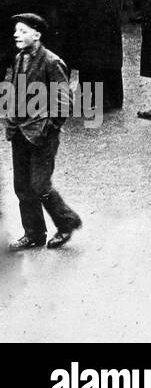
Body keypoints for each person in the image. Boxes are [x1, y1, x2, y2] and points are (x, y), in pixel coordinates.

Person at [4, 14, 83, 251]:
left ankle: (67, 222)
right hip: (20, 131)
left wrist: (48, 128)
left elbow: (64, 102)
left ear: (37, 35)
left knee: (39, 184)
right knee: (22, 186)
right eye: (16, 30)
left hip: (41, 135)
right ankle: (34, 234)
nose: (17, 35)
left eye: (23, 31)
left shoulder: (52, 62)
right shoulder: (19, 58)